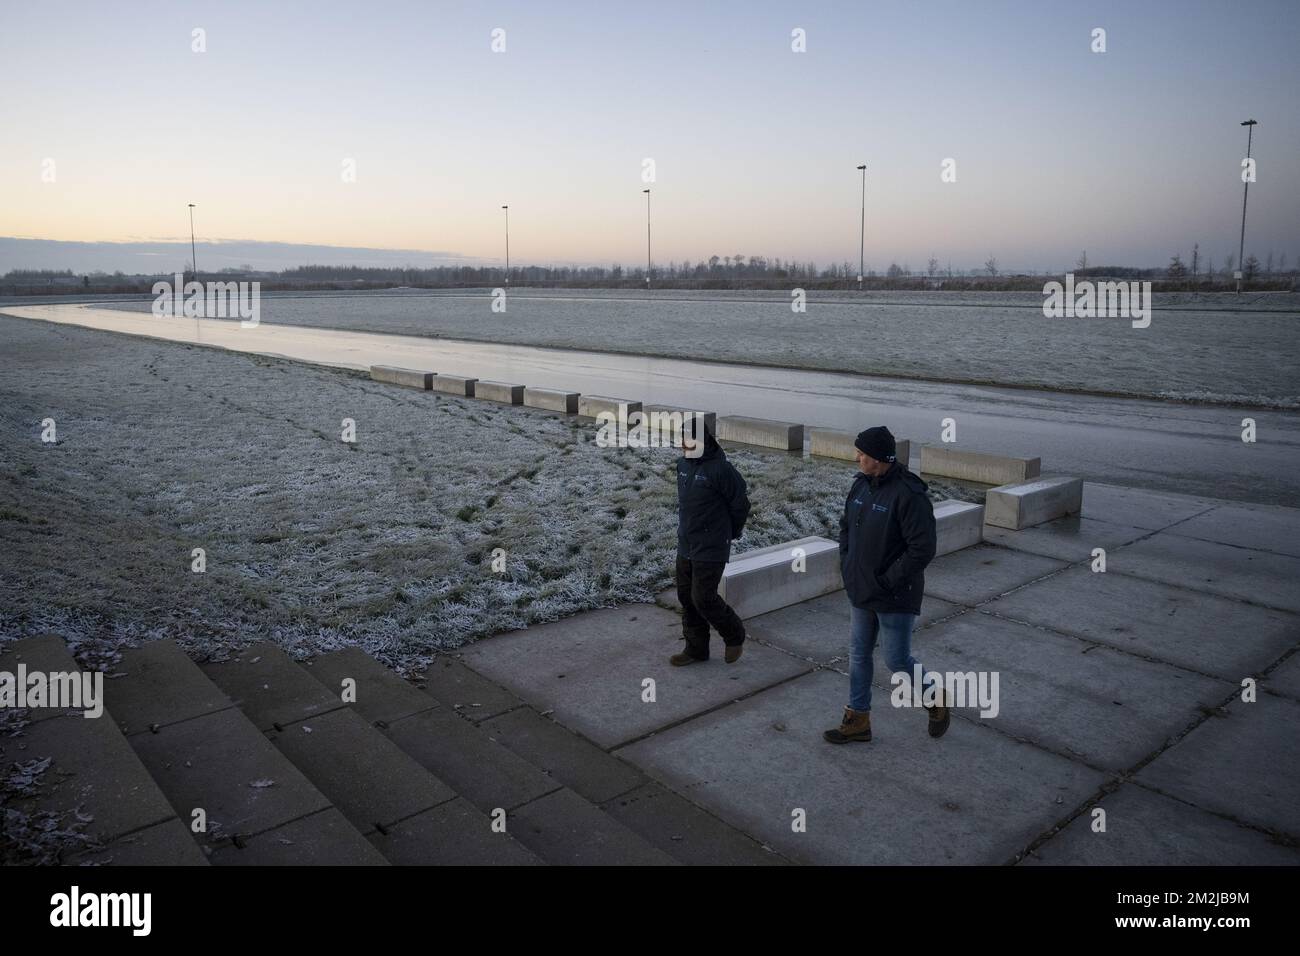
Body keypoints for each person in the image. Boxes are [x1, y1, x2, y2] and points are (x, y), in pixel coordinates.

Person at [824, 426, 950, 744]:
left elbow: (922, 549)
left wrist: (887, 580)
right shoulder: (861, 487)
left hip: (894, 594)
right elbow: (845, 528)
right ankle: (858, 719)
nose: (857, 458)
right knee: (858, 654)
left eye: (862, 454)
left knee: (895, 659)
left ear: (879, 459)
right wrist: (848, 565)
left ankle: (935, 697)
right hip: (860, 589)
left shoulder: (909, 495)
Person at [670, 417, 751, 666]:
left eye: (688, 438)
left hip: (711, 546)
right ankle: (696, 650)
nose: (683, 442)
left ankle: (734, 634)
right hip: (686, 544)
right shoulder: (682, 465)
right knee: (686, 597)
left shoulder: (721, 470)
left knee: (703, 597)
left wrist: (729, 533)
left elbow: (740, 505)